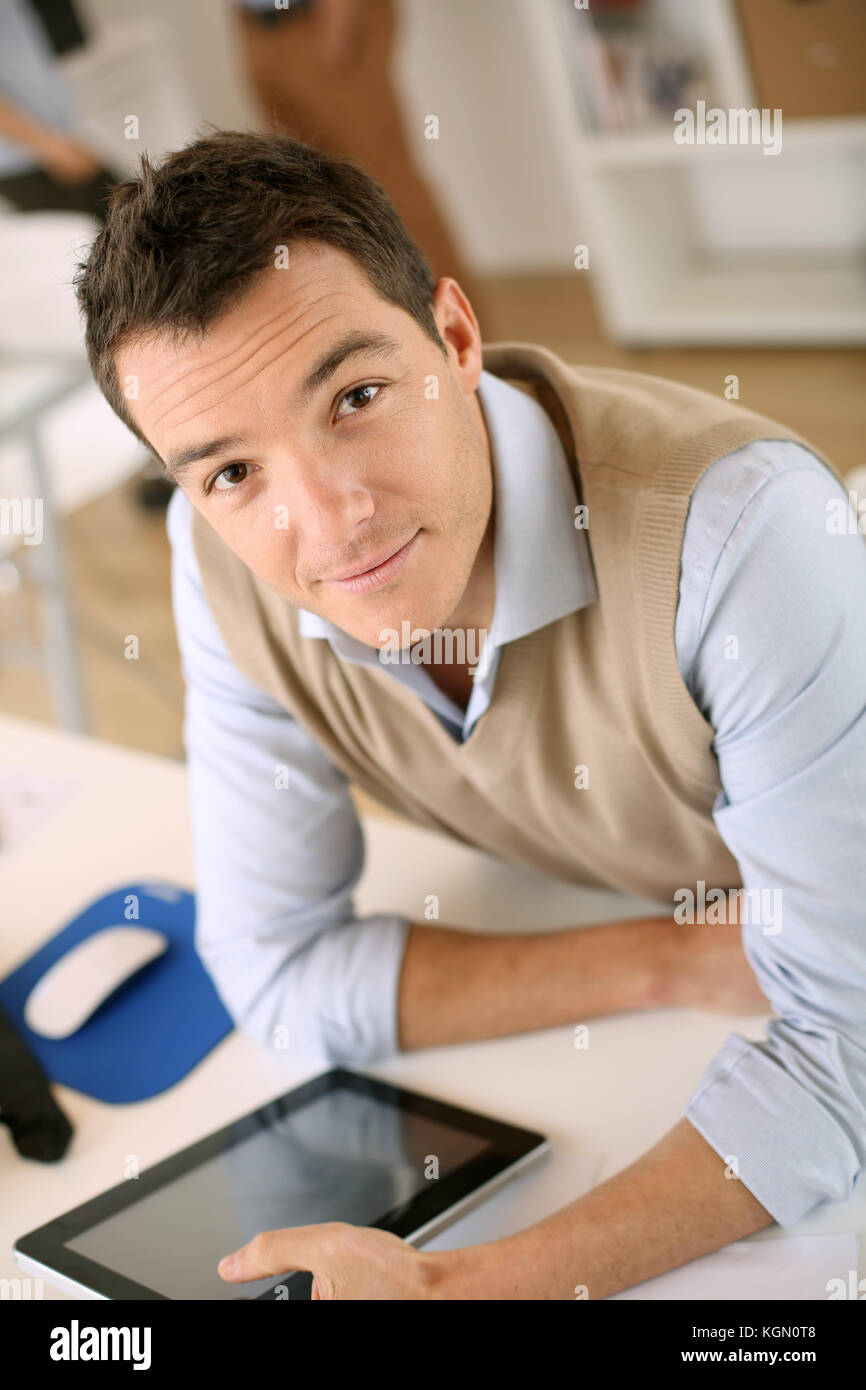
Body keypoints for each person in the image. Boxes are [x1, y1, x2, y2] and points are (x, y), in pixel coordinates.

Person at [73, 131, 866, 1300]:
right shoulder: (224, 553)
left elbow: (844, 1048)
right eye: (230, 471)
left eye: (354, 396)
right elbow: (278, 969)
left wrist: (456, 1291)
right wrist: (679, 958)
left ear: (454, 335)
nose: (329, 519)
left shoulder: (740, 537)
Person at [233, 0, 488, 319]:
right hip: (258, 23)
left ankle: (463, 343)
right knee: (311, 197)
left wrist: (336, 19)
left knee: (390, 190)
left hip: (321, 20)